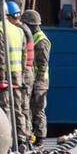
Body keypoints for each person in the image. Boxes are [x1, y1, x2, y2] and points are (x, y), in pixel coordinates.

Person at [0, 2, 32, 149]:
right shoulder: (18, 31)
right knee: (18, 108)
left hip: (5, 75)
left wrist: (1, 78)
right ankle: (22, 140)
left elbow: (0, 56)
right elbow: (24, 57)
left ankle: (7, 142)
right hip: (17, 75)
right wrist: (20, 74)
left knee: (5, 108)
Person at [24, 9, 50, 143]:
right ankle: (34, 136)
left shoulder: (40, 40)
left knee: (38, 110)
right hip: (36, 81)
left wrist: (36, 82)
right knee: (31, 109)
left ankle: (40, 137)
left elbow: (42, 65)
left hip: (39, 83)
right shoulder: (34, 37)